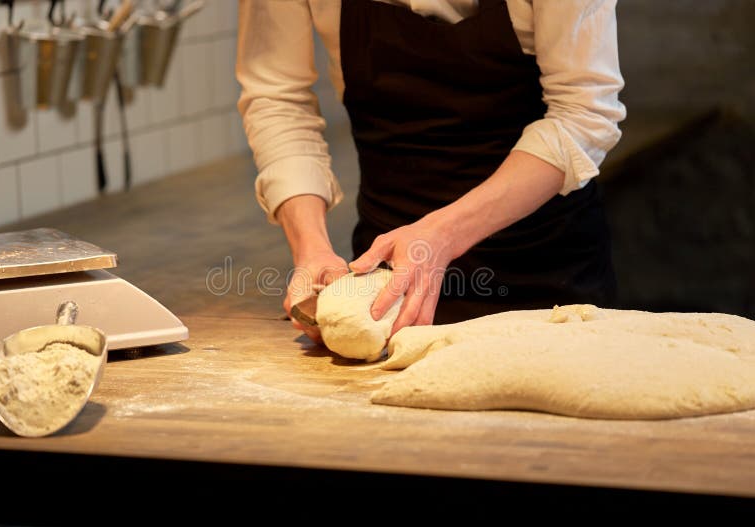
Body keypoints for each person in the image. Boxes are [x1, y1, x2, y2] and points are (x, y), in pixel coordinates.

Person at [236, 0, 627, 343]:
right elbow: (277, 97)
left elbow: (584, 114)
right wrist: (311, 247)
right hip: (387, 292)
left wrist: (442, 235)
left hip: (544, 275)